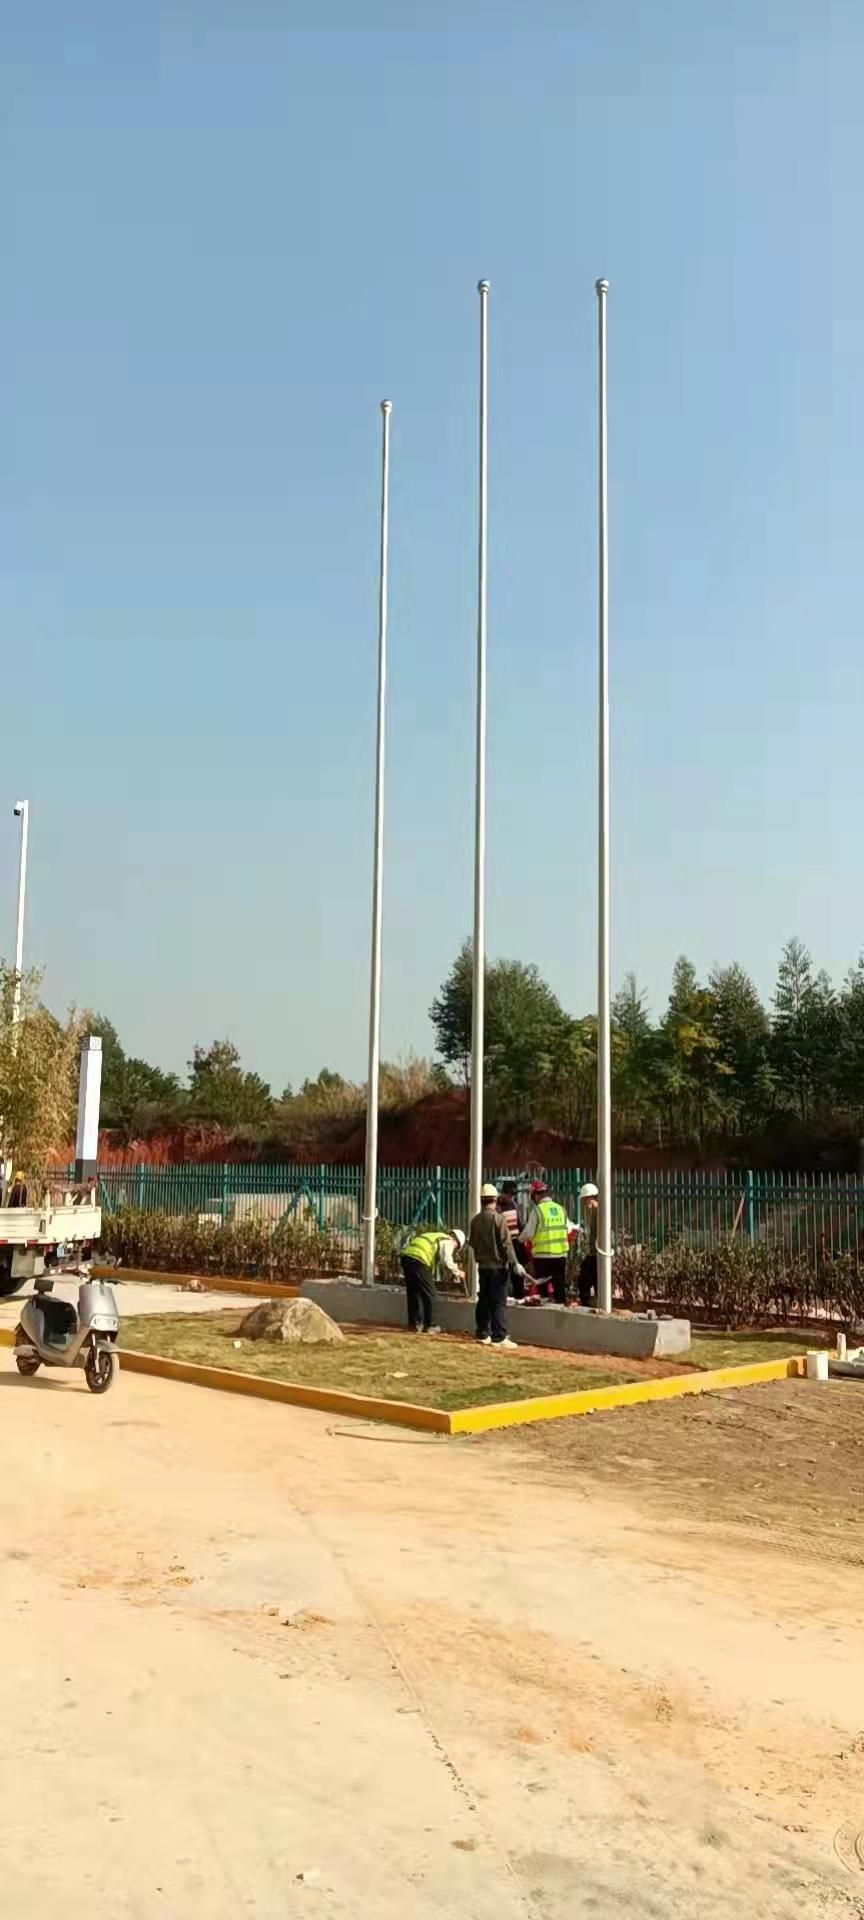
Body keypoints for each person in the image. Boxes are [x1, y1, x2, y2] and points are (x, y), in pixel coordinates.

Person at [468, 1183, 527, 1347]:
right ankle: (499, 1336)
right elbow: (506, 1244)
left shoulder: (475, 1221)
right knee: (498, 1302)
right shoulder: (499, 1219)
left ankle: (482, 1332)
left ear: (481, 1200)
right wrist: (515, 1263)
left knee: (484, 1299)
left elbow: (473, 1243)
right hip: (498, 1267)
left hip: (483, 1267)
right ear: (494, 1199)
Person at [400, 1225, 466, 1334]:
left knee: (414, 1292)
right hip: (420, 1261)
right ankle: (431, 1325)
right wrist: (458, 1272)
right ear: (456, 1241)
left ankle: (415, 1325)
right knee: (430, 1294)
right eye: (456, 1247)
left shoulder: (435, 1236)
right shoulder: (448, 1240)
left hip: (407, 1258)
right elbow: (446, 1260)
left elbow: (432, 1262)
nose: (454, 1249)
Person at [520, 1180, 577, 1305]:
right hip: (560, 1255)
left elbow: (528, 1233)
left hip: (542, 1256)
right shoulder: (561, 1209)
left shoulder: (537, 1211)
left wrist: (520, 1239)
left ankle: (545, 1313)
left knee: (543, 1293)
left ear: (535, 1195)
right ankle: (560, 1310)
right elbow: (569, 1229)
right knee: (559, 1288)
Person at [497, 1181, 527, 1298]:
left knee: (518, 1273)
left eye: (513, 1195)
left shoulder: (515, 1205)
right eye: (509, 1195)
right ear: (504, 1193)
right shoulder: (498, 1207)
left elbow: (520, 1224)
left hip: (516, 1243)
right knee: (505, 1272)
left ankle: (519, 1295)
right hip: (504, 1244)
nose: (511, 1198)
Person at [576, 1181, 600, 1306]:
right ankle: (594, 1303)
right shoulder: (595, 1212)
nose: (584, 1203)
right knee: (594, 1280)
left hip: (597, 1253)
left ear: (591, 1197)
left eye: (585, 1199)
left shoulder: (599, 1212)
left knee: (585, 1280)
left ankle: (588, 1304)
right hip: (594, 1252)